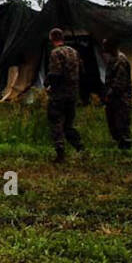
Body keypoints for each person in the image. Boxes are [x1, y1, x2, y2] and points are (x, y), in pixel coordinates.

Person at [46, 28, 84, 163]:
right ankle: (79, 146)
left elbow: (55, 73)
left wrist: (49, 85)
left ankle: (60, 152)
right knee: (69, 124)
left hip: (59, 94)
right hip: (73, 93)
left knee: (56, 121)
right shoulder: (74, 52)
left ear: (52, 38)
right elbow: (82, 70)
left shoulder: (55, 53)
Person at [100, 37, 132, 149]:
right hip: (114, 98)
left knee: (122, 123)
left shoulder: (120, 60)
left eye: (105, 45)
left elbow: (120, 83)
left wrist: (110, 94)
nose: (103, 47)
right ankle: (121, 145)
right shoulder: (112, 59)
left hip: (121, 99)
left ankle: (126, 147)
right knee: (113, 124)